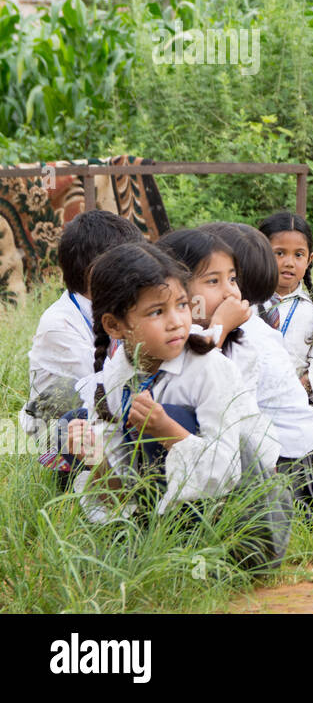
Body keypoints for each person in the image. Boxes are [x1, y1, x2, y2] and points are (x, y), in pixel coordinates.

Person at [68, 243, 289, 569]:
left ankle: (197, 551)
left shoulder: (207, 367)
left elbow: (226, 472)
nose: (176, 322)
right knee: (76, 425)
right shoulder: (116, 375)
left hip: (249, 522)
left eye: (182, 305)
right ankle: (162, 548)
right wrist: (95, 459)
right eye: (157, 312)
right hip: (170, 512)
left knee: (170, 414)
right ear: (114, 326)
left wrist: (168, 432)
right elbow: (123, 494)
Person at [159, 228, 313, 516]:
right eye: (214, 280)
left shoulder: (241, 337)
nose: (229, 290)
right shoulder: (207, 331)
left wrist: (219, 329)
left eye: (232, 279)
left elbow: (218, 401)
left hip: (283, 477)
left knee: (173, 416)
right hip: (284, 469)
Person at [24, 211, 145, 447]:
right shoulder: (58, 325)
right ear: (95, 272)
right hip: (62, 436)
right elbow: (108, 391)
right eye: (130, 265)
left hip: (102, 421)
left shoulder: (121, 307)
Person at [258, 212, 313, 432]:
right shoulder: (245, 303)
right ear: (261, 254)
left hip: (295, 404)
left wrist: (298, 391)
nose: (288, 262)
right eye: (279, 253)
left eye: (298, 255)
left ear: (309, 259)